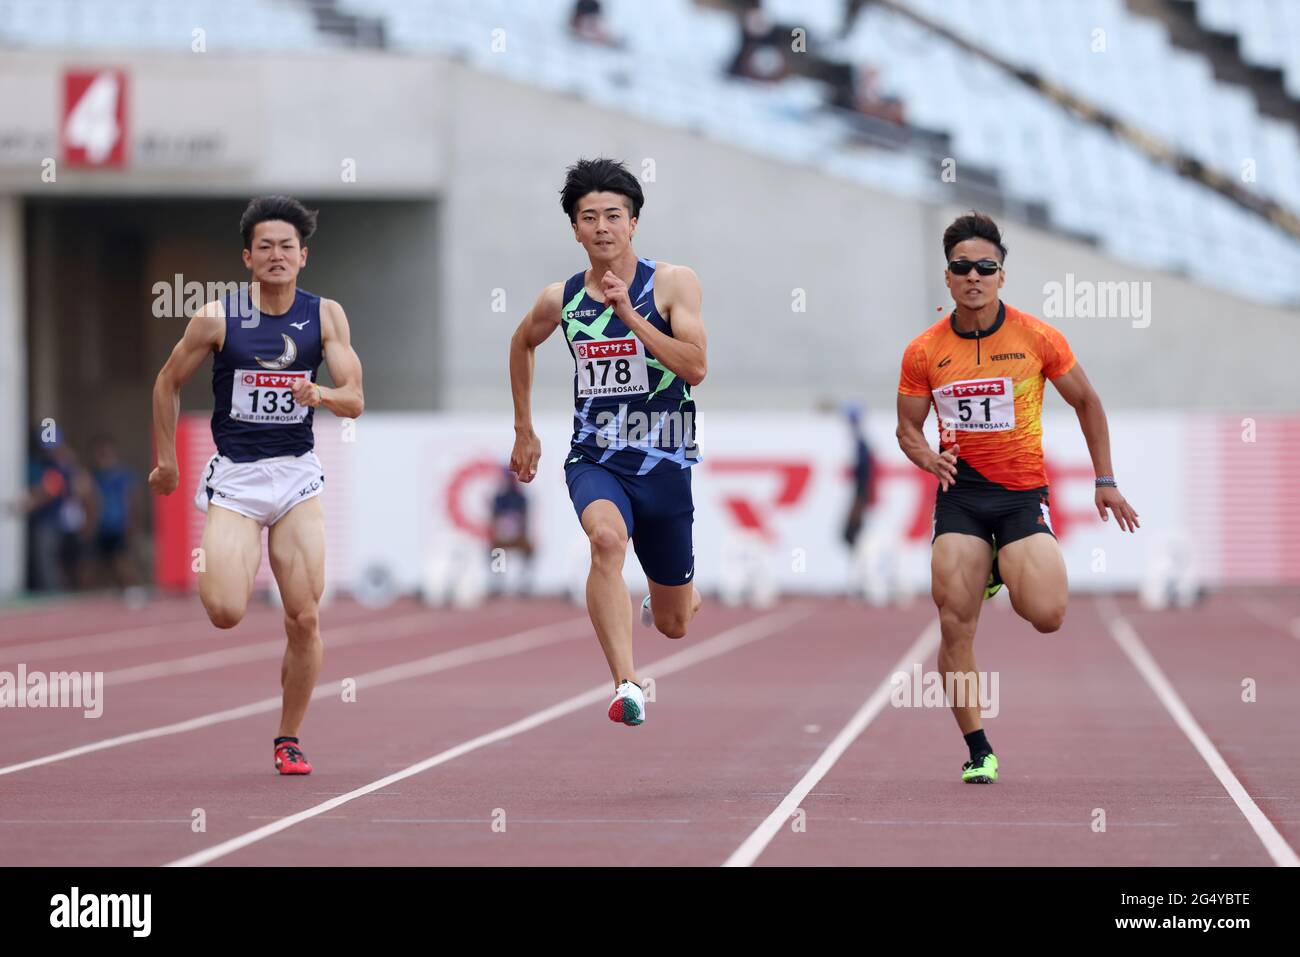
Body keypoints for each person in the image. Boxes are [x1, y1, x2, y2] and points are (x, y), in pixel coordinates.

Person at [895, 211, 1139, 784]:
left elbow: (1087, 402)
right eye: (962, 268)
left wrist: (1104, 479)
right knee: (954, 623)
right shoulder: (923, 352)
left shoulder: (1037, 337)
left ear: (1002, 276)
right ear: (948, 277)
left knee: (1049, 615)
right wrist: (926, 456)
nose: (973, 276)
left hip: (1021, 497)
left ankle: (1001, 567)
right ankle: (978, 749)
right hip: (961, 498)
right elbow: (907, 428)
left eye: (986, 267)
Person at [149, 196, 365, 775]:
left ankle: (288, 737)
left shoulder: (326, 317)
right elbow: (167, 383)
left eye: (286, 247)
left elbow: (355, 400)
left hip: (296, 477)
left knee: (305, 618)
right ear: (248, 256)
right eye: (265, 246)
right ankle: (234, 577)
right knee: (223, 610)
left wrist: (318, 394)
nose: (276, 256)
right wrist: (167, 461)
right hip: (238, 480)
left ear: (303, 257)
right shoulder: (217, 318)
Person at [508, 158, 707, 727]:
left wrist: (630, 316)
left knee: (674, 623)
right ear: (574, 229)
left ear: (634, 222)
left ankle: (677, 593)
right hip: (595, 456)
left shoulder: (671, 283)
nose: (601, 227)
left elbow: (695, 367)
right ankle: (626, 682)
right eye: (588, 217)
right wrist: (524, 427)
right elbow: (521, 343)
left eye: (613, 216)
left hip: (665, 456)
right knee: (605, 541)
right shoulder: (561, 298)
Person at [88, 436, 142, 593]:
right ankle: (106, 596)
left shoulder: (124, 476)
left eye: (105, 453)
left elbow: (135, 502)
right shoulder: (95, 477)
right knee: (101, 565)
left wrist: (133, 527)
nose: (102, 458)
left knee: (122, 562)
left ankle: (135, 590)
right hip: (102, 527)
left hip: (119, 526)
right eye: (98, 454)